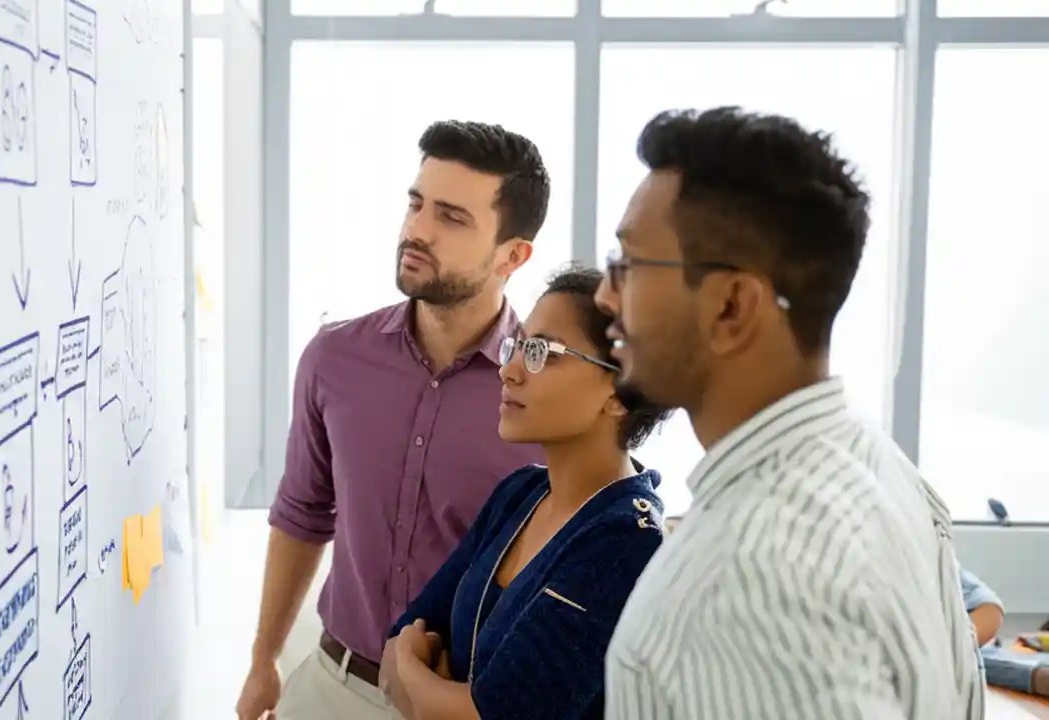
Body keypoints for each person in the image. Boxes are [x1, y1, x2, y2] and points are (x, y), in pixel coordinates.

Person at [594, 106, 983, 719]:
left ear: (731, 307)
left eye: (630, 267)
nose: (604, 295)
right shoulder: (881, 466)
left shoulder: (749, 581)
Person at [236, 120, 549, 720]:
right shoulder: (334, 358)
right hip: (332, 687)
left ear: (513, 255)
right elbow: (303, 513)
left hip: (471, 703)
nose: (417, 230)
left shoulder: (545, 391)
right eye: (416, 203)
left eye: (452, 217)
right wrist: (263, 660)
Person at [380, 266, 669, 720]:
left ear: (621, 390)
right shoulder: (521, 493)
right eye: (518, 345)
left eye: (543, 353)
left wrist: (418, 679)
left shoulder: (628, 542)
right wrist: (434, 694)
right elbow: (397, 641)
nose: (509, 370)